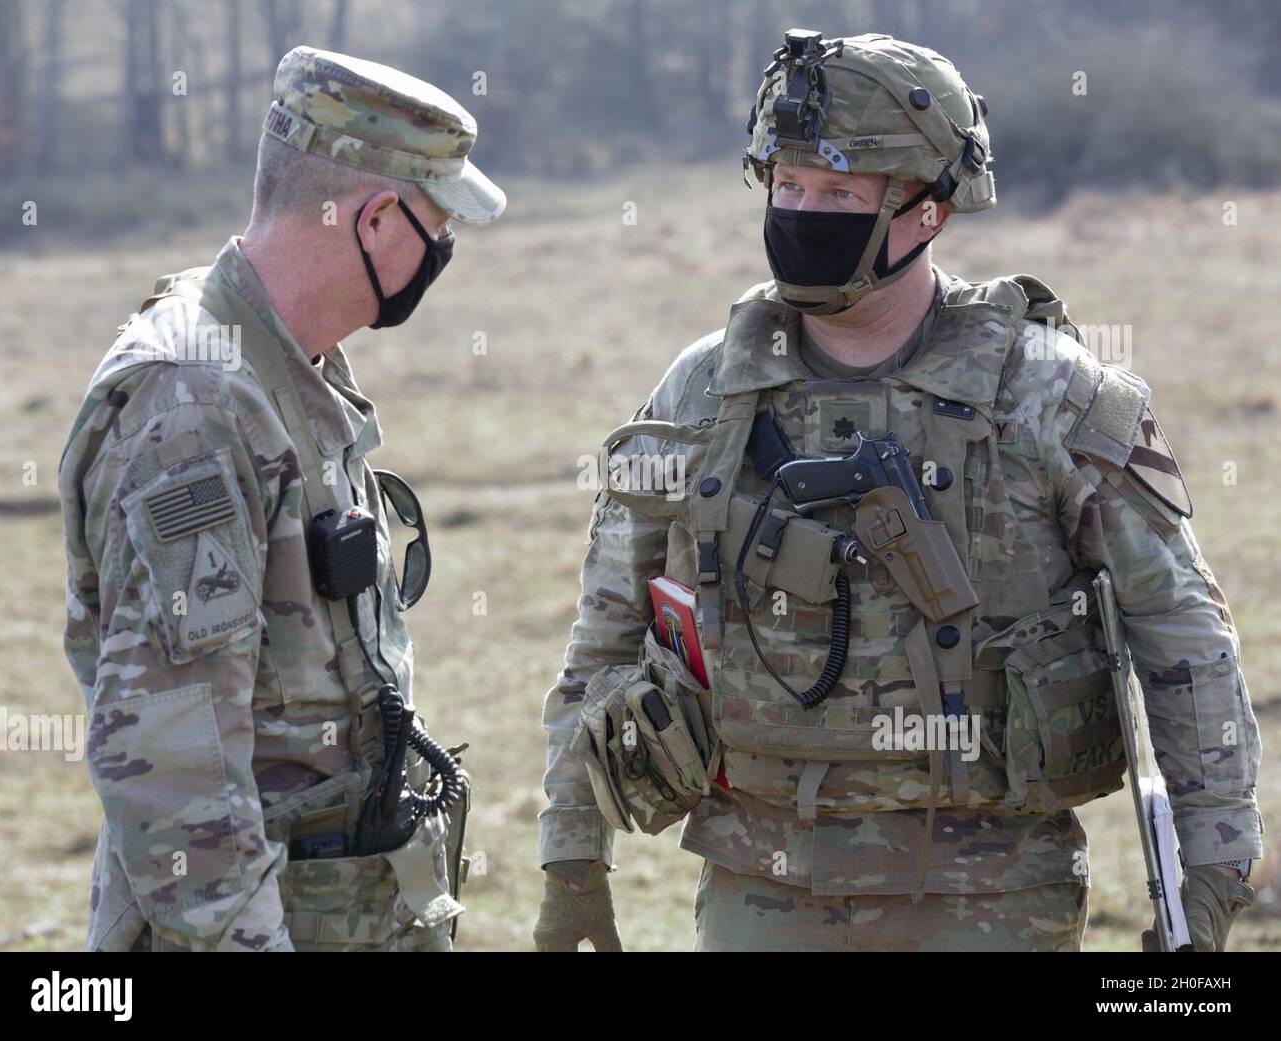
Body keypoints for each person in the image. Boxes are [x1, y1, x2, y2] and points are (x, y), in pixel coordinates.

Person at [534, 30, 1261, 952]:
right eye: (787, 186)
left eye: (839, 193)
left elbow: (1181, 635)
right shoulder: (704, 390)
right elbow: (602, 638)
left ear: (930, 212)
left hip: (994, 892)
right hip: (763, 885)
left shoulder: (1049, 393)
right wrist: (572, 863)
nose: (802, 211)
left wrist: (1209, 878)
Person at [58, 45, 504, 952]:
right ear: (376, 219)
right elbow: (177, 773)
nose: (445, 251)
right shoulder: (194, 402)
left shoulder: (283, 369)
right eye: (439, 223)